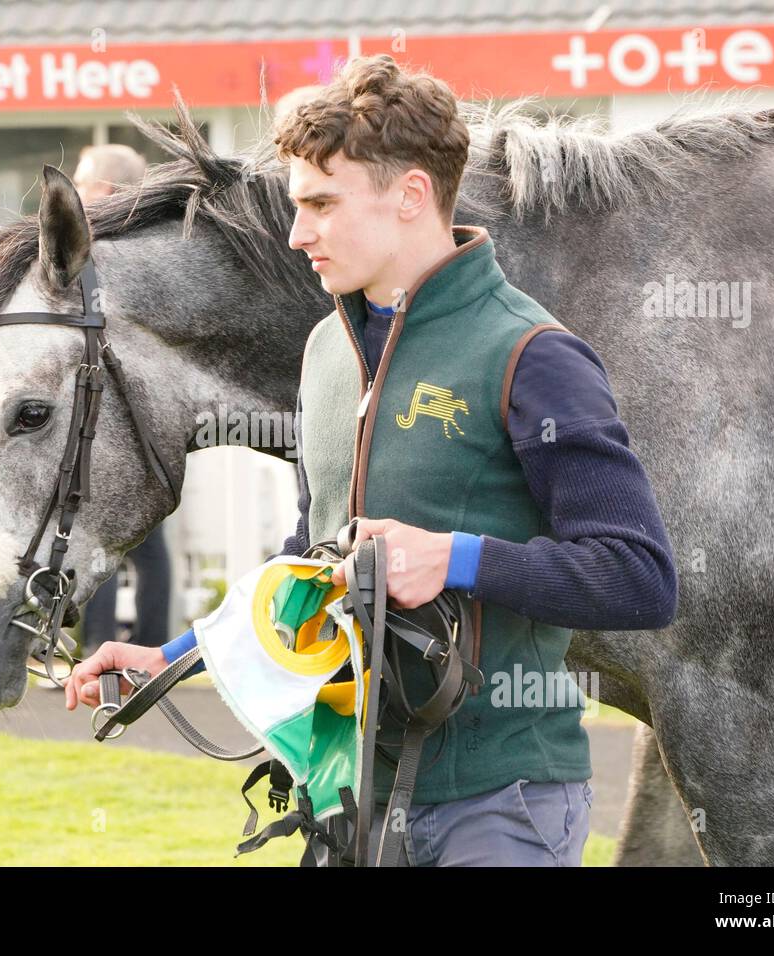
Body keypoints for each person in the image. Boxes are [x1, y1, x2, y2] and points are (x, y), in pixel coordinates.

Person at [65, 55, 678, 866]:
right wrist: (176, 657)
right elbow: (313, 561)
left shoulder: (534, 354)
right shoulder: (323, 349)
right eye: (295, 205)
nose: (296, 233)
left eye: (322, 203)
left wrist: (455, 559)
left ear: (411, 197)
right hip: (347, 790)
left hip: (503, 802)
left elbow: (640, 576)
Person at [71, 145, 174, 657]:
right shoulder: (155, 251)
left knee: (105, 539)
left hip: (116, 423)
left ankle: (100, 644)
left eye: (81, 182)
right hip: (153, 425)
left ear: (105, 192)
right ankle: (148, 643)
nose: (74, 191)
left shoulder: (107, 255)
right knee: (147, 545)